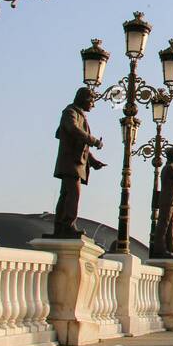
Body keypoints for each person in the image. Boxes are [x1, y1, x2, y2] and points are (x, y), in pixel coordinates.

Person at [49, 87, 105, 237]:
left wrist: (92, 161)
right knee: (72, 194)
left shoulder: (79, 115)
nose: (93, 105)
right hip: (71, 161)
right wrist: (93, 140)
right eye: (92, 101)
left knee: (66, 194)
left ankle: (61, 227)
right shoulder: (70, 112)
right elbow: (73, 130)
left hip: (76, 162)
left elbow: (81, 143)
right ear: (85, 99)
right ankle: (67, 225)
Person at [150, 145, 173, 258]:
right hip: (168, 200)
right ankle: (160, 249)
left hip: (171, 201)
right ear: (172, 156)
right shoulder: (171, 168)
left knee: (171, 227)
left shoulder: (171, 167)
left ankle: (172, 248)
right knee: (163, 225)